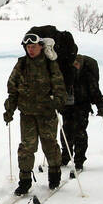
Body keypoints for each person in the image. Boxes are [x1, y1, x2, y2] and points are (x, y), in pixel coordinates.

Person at [4, 31, 67, 194]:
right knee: (27, 147)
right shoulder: (21, 64)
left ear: (40, 46)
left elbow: (60, 87)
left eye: (33, 47)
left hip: (46, 114)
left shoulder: (50, 64)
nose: (30, 50)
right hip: (27, 114)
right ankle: (24, 181)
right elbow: (12, 88)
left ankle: (54, 175)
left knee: (50, 145)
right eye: (28, 47)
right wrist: (9, 109)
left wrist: (57, 102)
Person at [59, 53, 103, 173]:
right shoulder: (66, 75)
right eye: (73, 63)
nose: (75, 66)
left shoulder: (87, 76)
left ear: (81, 64)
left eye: (77, 64)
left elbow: (95, 92)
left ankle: (79, 160)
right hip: (67, 108)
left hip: (82, 108)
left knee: (80, 133)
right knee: (65, 132)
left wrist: (101, 107)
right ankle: (65, 156)